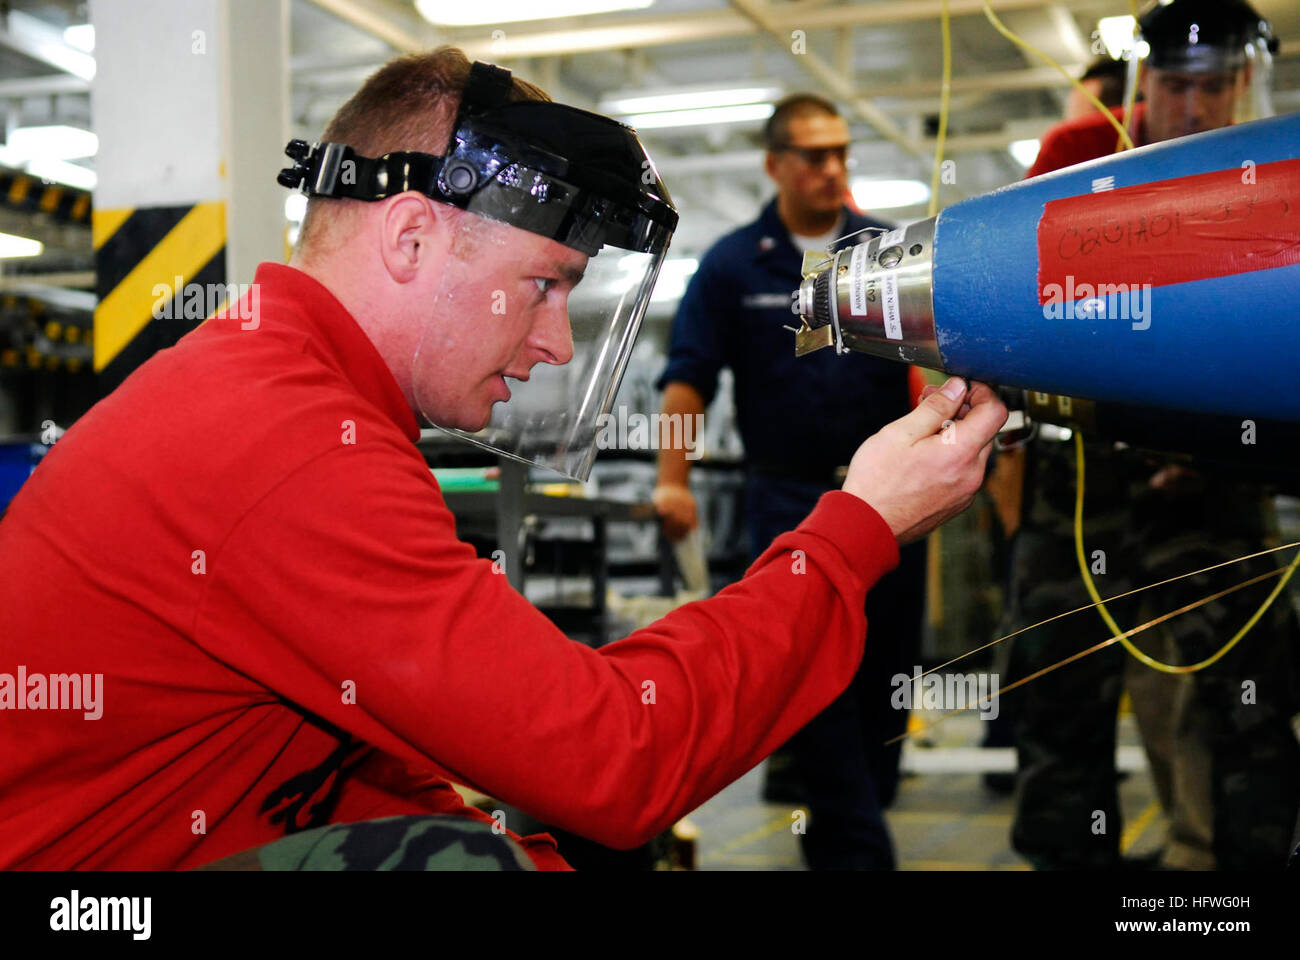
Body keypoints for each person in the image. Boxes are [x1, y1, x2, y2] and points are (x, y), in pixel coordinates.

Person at [0, 47, 1005, 870]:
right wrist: (857, 530)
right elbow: (617, 757)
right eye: (543, 285)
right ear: (409, 239)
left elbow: (361, 757)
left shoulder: (289, 388)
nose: (557, 344)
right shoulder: (288, 445)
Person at [1006, 0, 1299, 871]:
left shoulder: (1269, 167)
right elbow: (1023, 299)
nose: (1196, 108)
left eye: (1218, 86)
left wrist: (1223, 444)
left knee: (1250, 695)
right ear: (1146, 81)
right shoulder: (1078, 154)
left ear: (1246, 83)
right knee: (1057, 687)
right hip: (1087, 467)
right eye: (1175, 85)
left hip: (1221, 467)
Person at [653, 94, 927, 870]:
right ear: (775, 165)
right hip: (788, 505)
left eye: (840, 152)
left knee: (890, 679)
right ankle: (856, 854)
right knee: (815, 686)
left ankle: (863, 819)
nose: (832, 168)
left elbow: (938, 362)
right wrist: (673, 482)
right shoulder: (734, 265)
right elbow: (687, 382)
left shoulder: (888, 253)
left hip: (892, 505)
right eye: (813, 155)